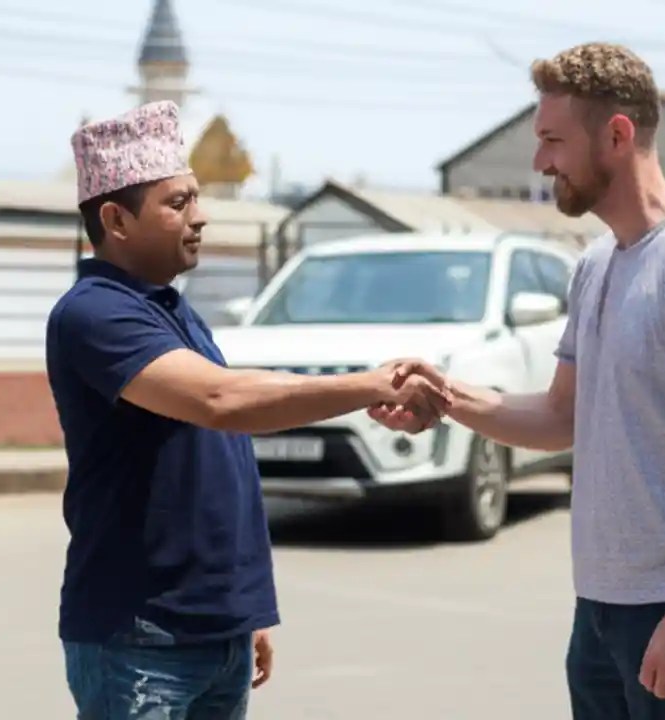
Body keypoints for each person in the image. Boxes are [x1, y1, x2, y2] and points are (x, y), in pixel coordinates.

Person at [372, 43, 665, 719]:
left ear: (618, 136)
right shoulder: (596, 264)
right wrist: (444, 397)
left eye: (553, 141)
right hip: (602, 611)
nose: (541, 162)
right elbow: (561, 416)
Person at [47, 100, 449, 719]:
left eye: (196, 199)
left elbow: (214, 462)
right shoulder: (95, 313)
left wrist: (245, 611)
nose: (200, 217)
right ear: (115, 220)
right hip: (140, 641)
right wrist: (373, 385)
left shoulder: (170, 309)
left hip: (214, 633)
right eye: (177, 203)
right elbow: (222, 402)